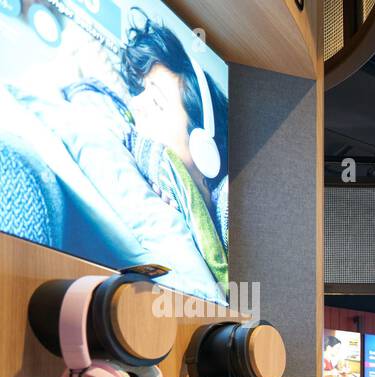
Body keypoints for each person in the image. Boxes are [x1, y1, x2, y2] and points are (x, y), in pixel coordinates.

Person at [1, 9, 230, 301]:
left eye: (157, 101)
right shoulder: (127, 148)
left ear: (204, 149)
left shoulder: (227, 206)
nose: (137, 105)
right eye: (140, 92)